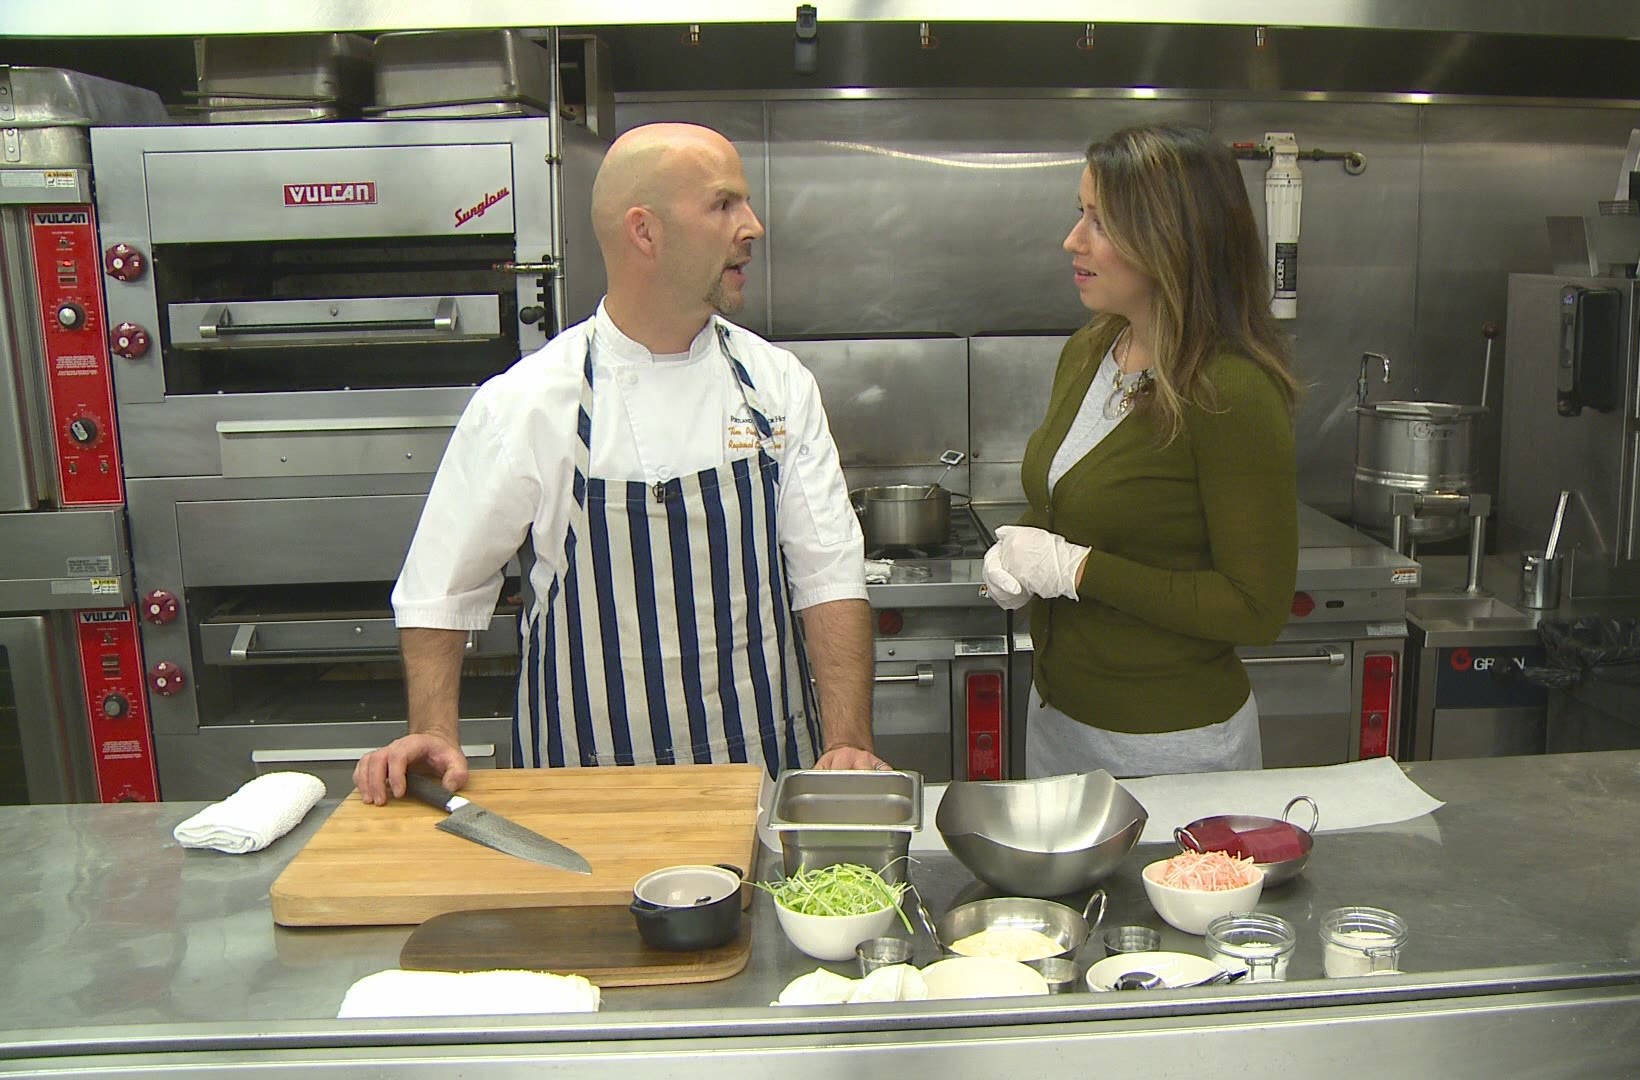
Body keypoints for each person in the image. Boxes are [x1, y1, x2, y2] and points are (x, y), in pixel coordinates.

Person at [355, 123, 885, 803]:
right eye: (724, 204)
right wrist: (433, 730)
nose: (752, 226)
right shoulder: (529, 403)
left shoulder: (777, 386)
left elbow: (828, 574)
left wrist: (848, 740)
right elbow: (441, 590)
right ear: (645, 232)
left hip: (761, 779)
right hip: (584, 796)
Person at [983, 122, 1300, 779]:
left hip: (1170, 746)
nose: (1073, 240)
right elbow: (1076, 501)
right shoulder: (1092, 349)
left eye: (1101, 221)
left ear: (1171, 238)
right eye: (1081, 213)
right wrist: (1024, 554)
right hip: (1058, 723)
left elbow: (1256, 608)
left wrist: (1078, 571)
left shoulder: (1231, 390)